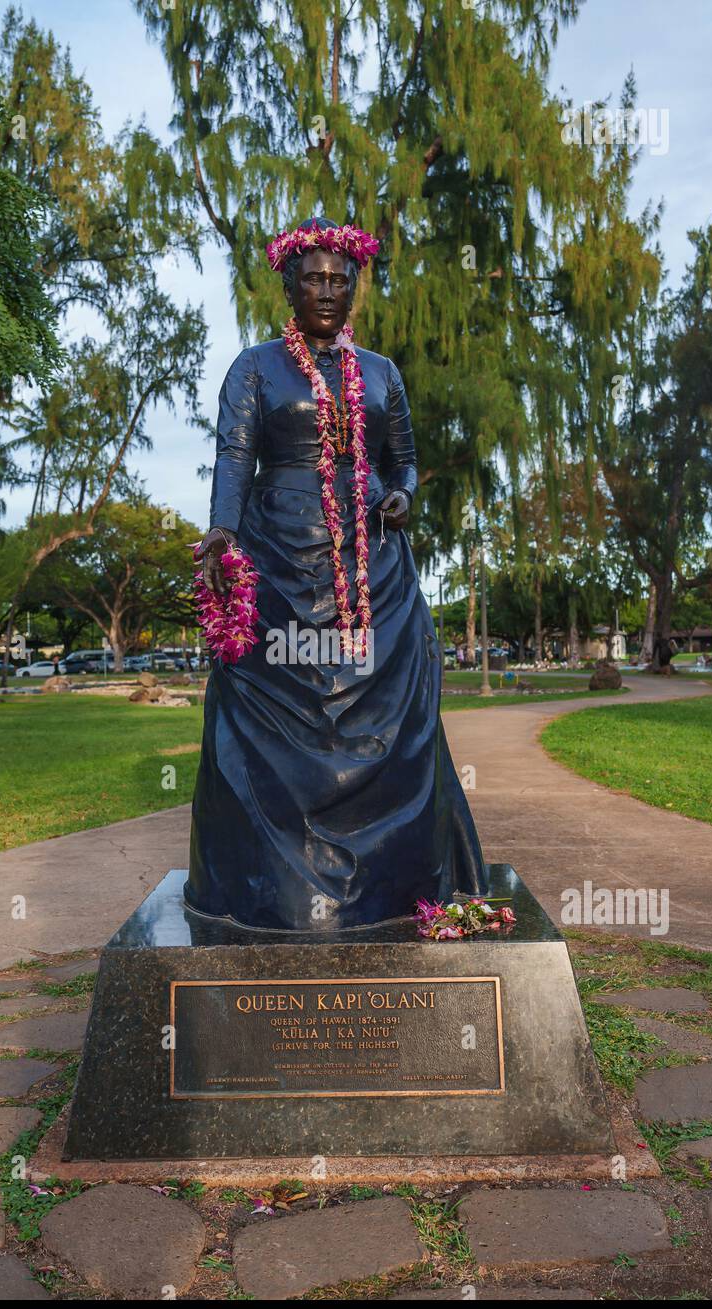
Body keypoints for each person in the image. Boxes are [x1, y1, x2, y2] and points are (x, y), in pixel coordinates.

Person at [184, 216, 487, 931]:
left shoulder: (381, 373)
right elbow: (234, 456)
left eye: (338, 279)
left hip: (373, 564)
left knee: (396, 715)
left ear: (354, 287)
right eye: (312, 278)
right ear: (288, 284)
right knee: (270, 716)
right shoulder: (255, 367)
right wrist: (222, 532)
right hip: (278, 561)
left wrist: (403, 492)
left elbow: (402, 457)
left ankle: (393, 882)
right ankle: (269, 889)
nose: (325, 289)